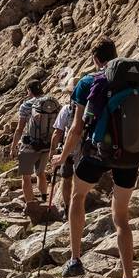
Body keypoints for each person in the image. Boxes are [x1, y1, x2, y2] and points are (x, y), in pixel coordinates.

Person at [51, 40, 139, 278]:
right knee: (121, 217)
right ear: (115, 56)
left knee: (78, 197)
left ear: (95, 59)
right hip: (131, 156)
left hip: (96, 154)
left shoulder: (88, 82)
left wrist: (62, 157)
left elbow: (77, 128)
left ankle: (75, 259)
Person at [10, 80, 60, 206]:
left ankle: (31, 206)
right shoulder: (52, 103)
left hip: (30, 145)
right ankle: (44, 199)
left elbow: (19, 129)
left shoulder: (26, 105)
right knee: (41, 173)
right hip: (47, 145)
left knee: (26, 177)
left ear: (29, 91)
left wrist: (13, 147)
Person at [49, 77, 80, 219]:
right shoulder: (91, 107)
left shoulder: (66, 109)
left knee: (66, 179)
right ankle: (79, 207)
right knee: (80, 180)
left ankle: (68, 209)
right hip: (86, 149)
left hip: (68, 149)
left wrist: (52, 151)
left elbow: (57, 132)